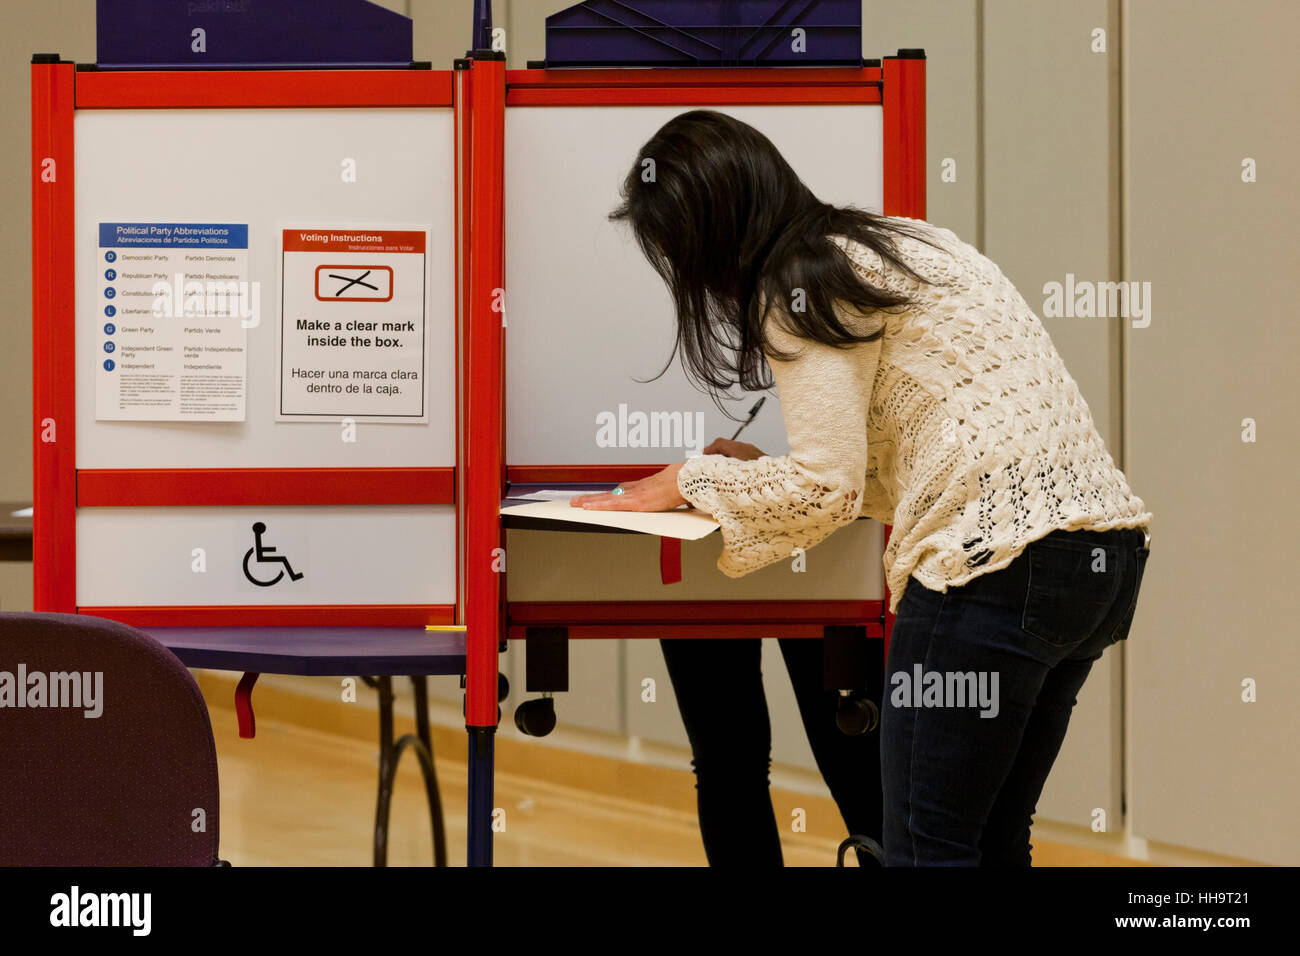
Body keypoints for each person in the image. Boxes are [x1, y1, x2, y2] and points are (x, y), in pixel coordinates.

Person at [570, 109, 1152, 866]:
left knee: (924, 850)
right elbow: (913, 460)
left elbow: (825, 492)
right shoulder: (904, 242)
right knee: (993, 844)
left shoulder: (799, 286)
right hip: (1098, 559)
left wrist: (694, 478)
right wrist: (748, 478)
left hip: (989, 568)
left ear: (710, 241)